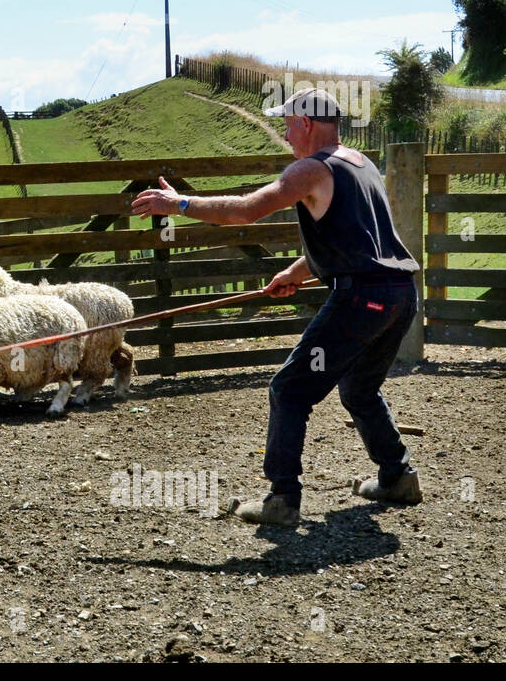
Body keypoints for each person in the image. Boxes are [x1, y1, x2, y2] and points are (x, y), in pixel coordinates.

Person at [131, 87, 422, 527]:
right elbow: (358, 242)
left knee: (289, 390)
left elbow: (247, 210)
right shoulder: (361, 164)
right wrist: (296, 273)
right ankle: (398, 478)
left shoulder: (311, 168)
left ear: (306, 122)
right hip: (399, 294)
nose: (286, 134)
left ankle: (282, 500)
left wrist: (181, 204)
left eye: (288, 124)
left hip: (361, 298)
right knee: (359, 391)